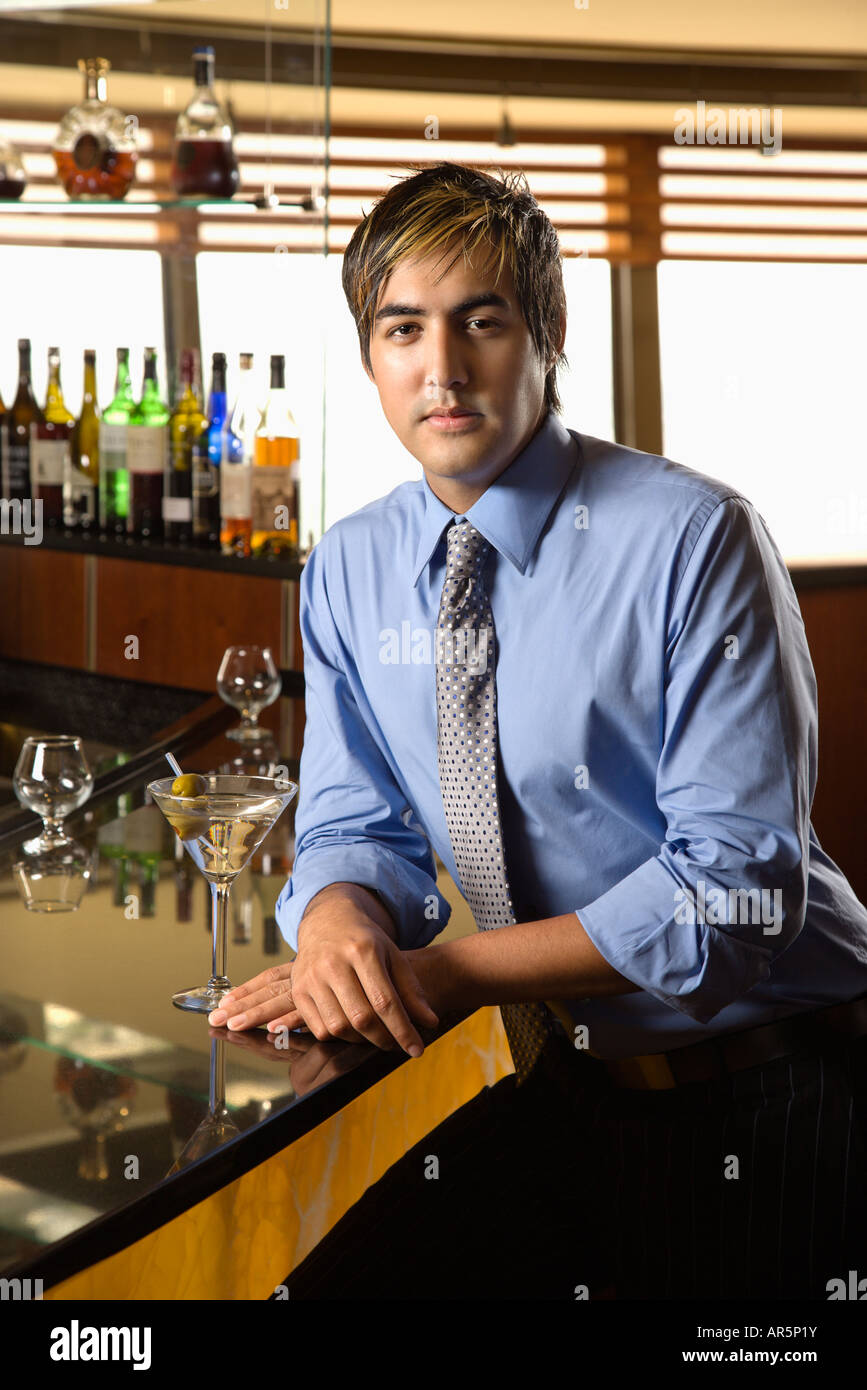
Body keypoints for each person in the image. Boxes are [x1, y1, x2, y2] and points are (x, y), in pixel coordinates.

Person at [208, 161, 867, 1300]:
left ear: (549, 332)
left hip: (776, 1089)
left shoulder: (693, 539)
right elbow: (355, 819)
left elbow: (734, 892)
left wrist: (451, 970)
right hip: (571, 1082)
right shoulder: (352, 569)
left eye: (484, 320)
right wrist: (333, 924)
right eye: (404, 327)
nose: (443, 368)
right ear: (370, 355)